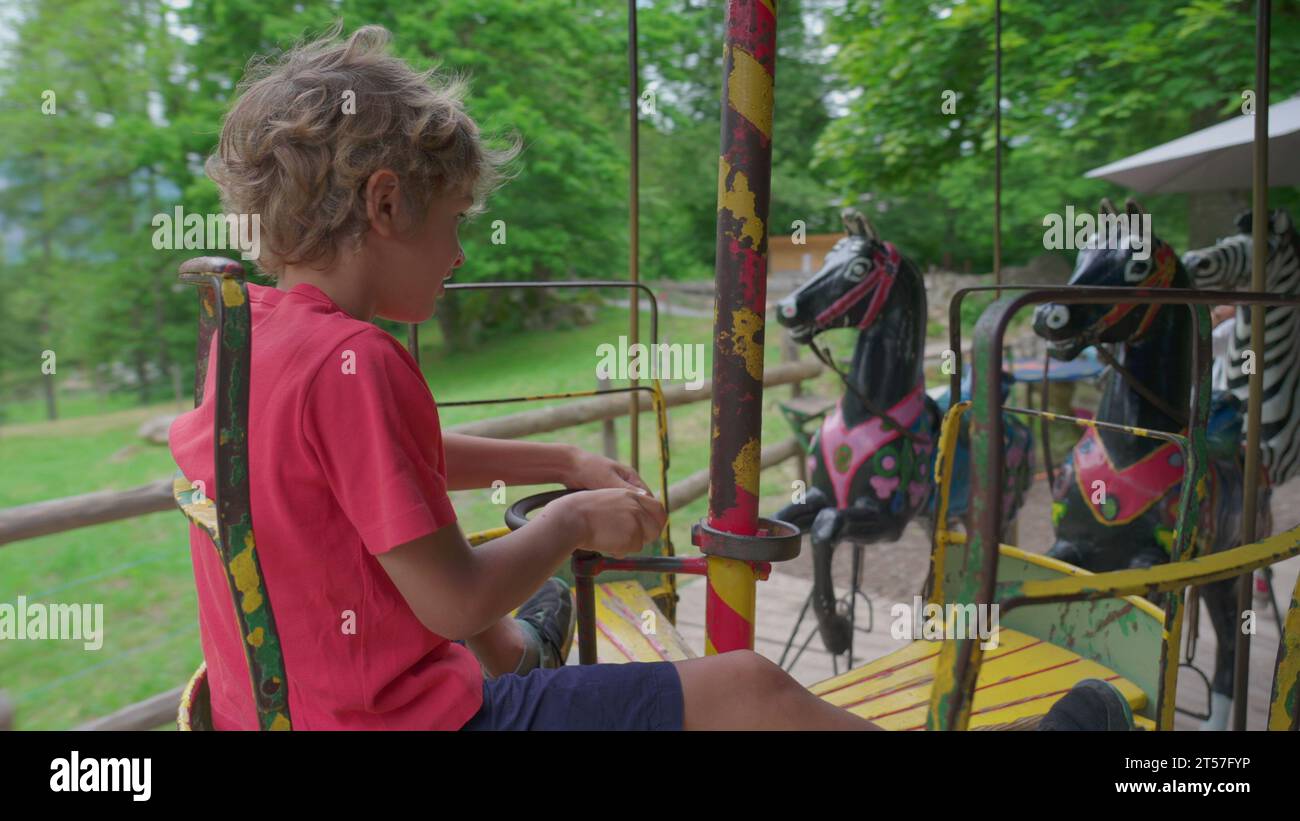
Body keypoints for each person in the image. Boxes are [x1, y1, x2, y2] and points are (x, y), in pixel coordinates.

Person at [169, 22, 881, 731]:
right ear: (386, 204)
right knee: (752, 689)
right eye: (455, 222)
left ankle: (516, 652)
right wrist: (569, 519)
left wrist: (563, 460)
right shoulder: (356, 359)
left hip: (284, 712)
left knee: (492, 619)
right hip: (401, 720)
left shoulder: (253, 338)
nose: (458, 255)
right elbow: (456, 602)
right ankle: (517, 655)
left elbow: (378, 467)